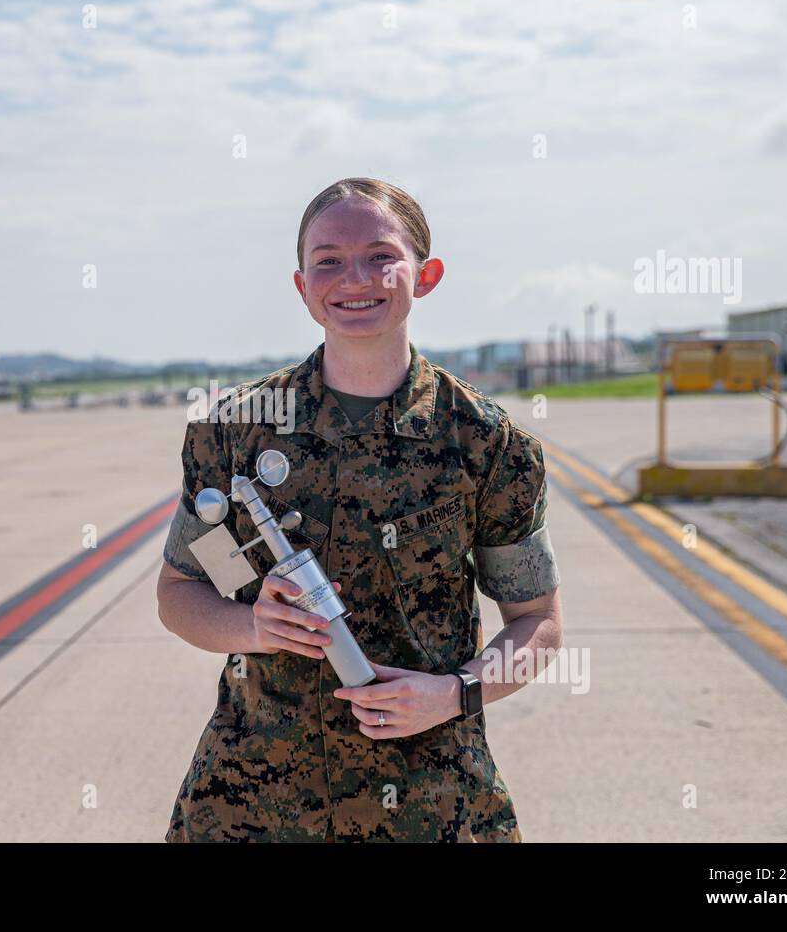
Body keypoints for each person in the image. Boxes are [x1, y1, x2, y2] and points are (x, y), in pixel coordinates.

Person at [157, 177, 563, 842]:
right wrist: (255, 629)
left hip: (429, 801)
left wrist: (455, 693)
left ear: (425, 275)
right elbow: (182, 594)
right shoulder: (235, 432)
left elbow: (538, 623)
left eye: (381, 255)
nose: (355, 277)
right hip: (253, 803)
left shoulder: (486, 442)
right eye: (329, 259)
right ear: (301, 285)